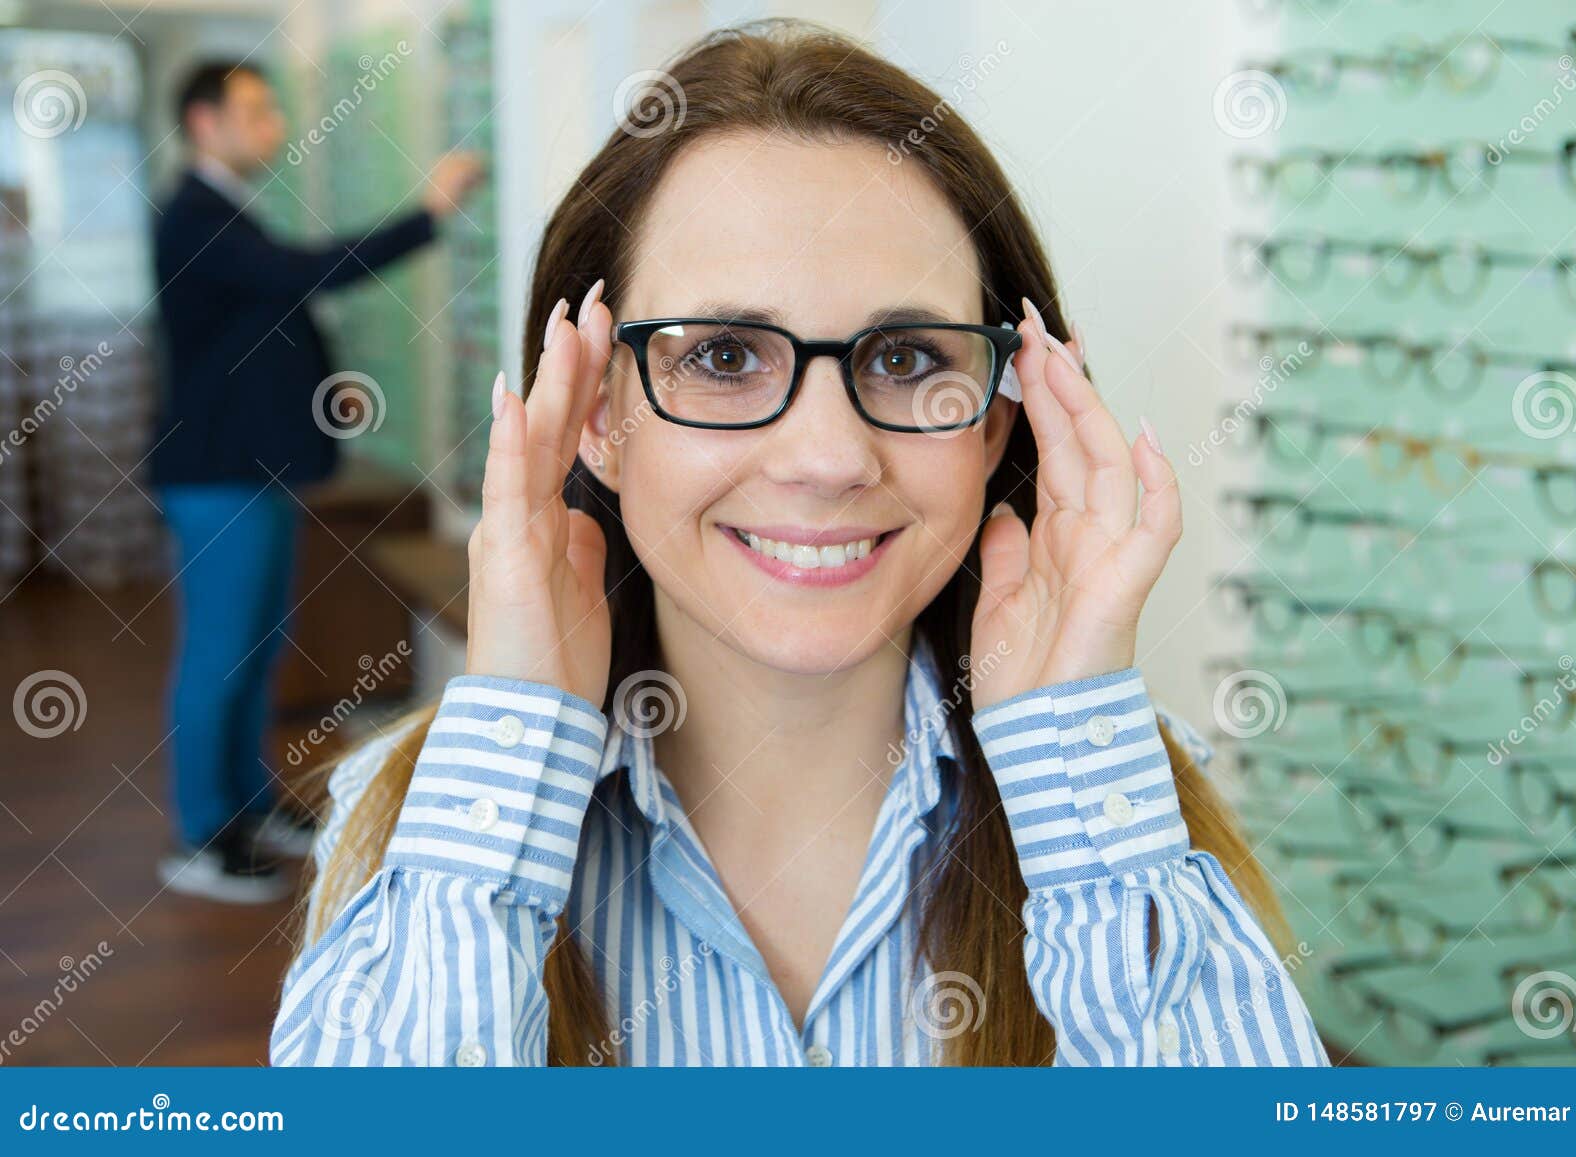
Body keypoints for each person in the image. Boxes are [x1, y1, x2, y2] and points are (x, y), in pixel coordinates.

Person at [271, 21, 1329, 1065]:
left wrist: (1073, 759)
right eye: (725, 354)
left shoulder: (1128, 799)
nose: (828, 456)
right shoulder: (427, 816)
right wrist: (516, 742)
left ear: (1005, 413)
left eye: (909, 357)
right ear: (594, 408)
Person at [149, 61, 483, 903]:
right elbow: (303, 273)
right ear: (204, 121)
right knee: (220, 651)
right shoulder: (192, 215)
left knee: (259, 642)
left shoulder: (224, 209)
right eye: (255, 110)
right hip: (215, 474)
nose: (274, 125)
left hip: (251, 470)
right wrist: (428, 213)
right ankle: (201, 836)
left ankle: (249, 805)